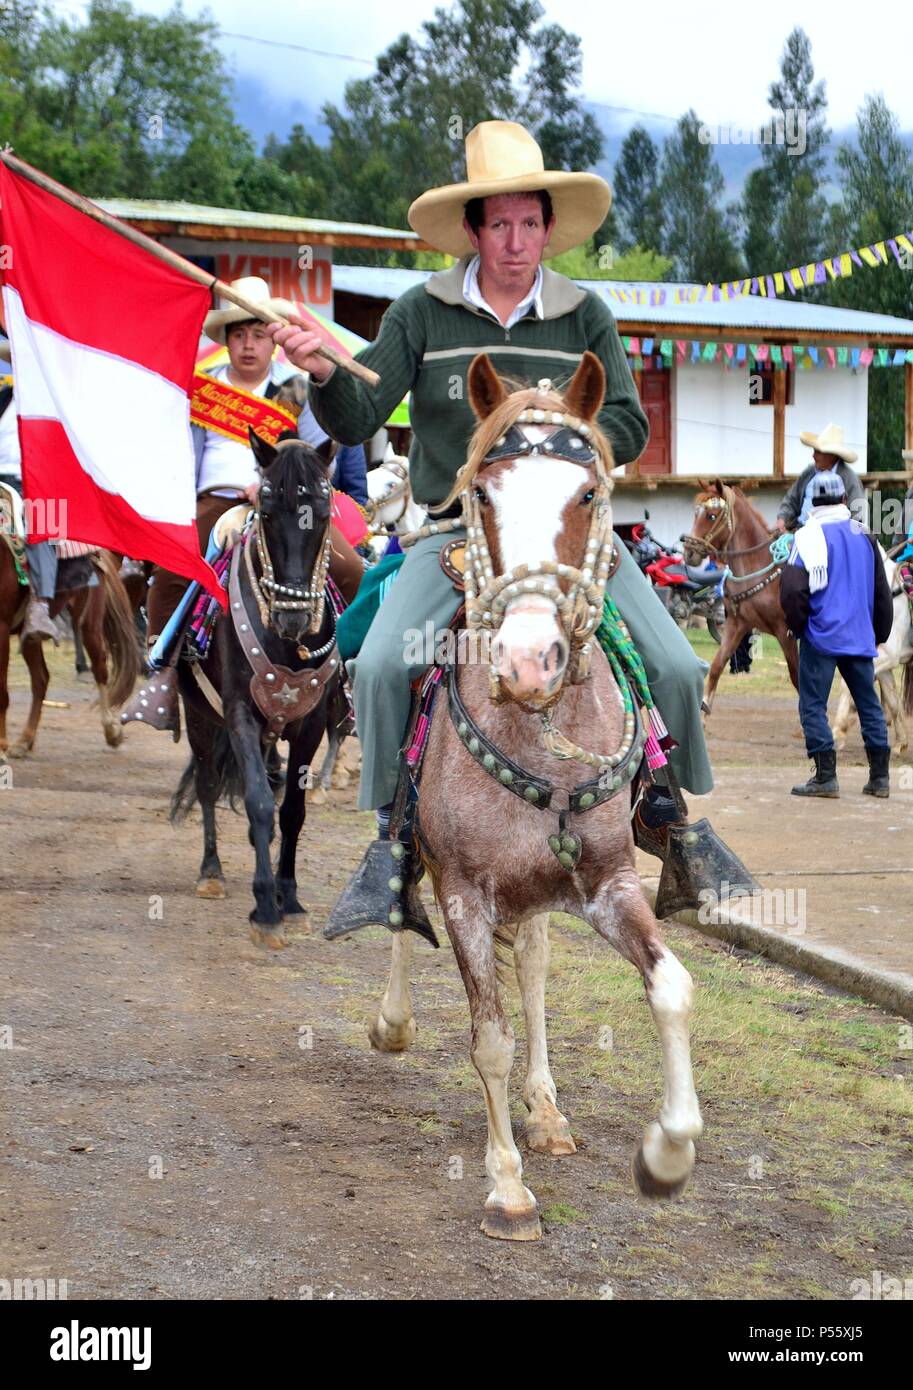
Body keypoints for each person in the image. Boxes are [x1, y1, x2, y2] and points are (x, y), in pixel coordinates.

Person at [272, 120, 727, 923]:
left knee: (679, 667)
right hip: (458, 534)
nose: (515, 240)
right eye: (499, 224)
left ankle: (668, 820)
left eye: (529, 223)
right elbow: (358, 412)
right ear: (474, 230)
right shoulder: (421, 312)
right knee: (380, 662)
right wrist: (319, 373)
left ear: (547, 230)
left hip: (565, 537)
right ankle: (394, 840)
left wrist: (555, 439)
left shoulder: (585, 314)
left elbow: (626, 423)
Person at [144, 277, 366, 650]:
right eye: (239, 334)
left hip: (291, 508)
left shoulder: (299, 389)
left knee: (352, 570)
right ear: (227, 340)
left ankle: (354, 666)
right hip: (214, 503)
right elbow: (178, 456)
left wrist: (271, 484)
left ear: (273, 342)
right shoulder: (200, 390)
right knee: (171, 571)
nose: (248, 345)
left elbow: (319, 456)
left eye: (259, 334)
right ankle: (161, 670)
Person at [780, 471, 893, 798]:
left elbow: (792, 591)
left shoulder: (805, 537)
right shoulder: (866, 535)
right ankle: (880, 779)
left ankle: (826, 777)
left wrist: (800, 627)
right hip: (858, 635)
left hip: (821, 636)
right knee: (869, 703)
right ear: (844, 500)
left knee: (813, 705)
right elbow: (881, 592)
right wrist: (878, 633)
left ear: (812, 503)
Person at [0, 342, 60, 646]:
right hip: (0, 479)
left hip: (37, 482)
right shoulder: (2, 399)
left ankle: (41, 603)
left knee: (47, 517)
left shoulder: (52, 405)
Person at [777, 423, 866, 532]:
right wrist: (782, 518)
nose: (813, 456)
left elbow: (857, 516)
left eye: (818, 452)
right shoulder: (809, 472)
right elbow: (791, 499)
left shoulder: (849, 479)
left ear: (832, 455)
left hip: (832, 534)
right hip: (800, 529)